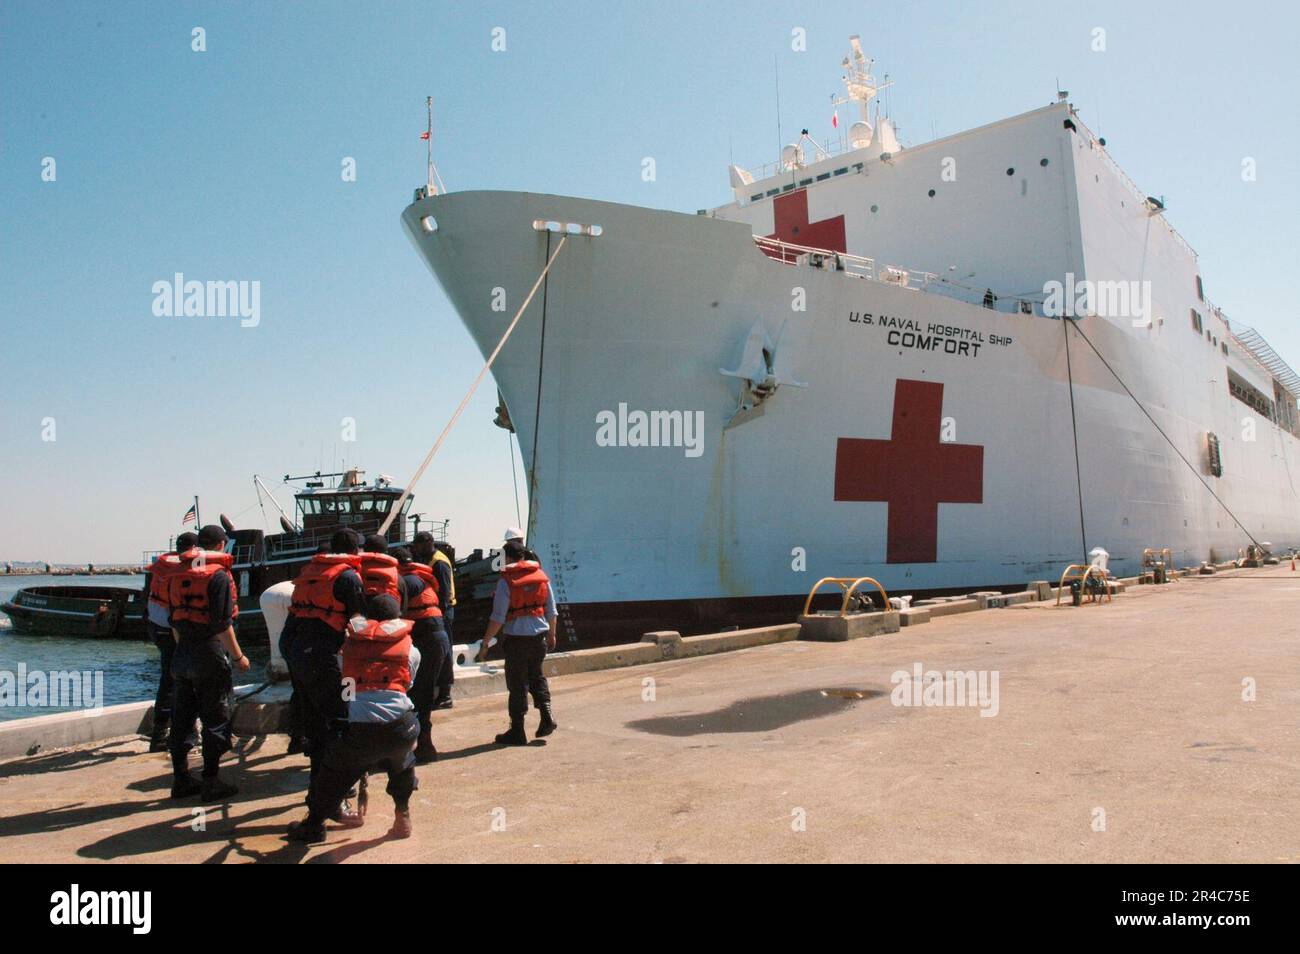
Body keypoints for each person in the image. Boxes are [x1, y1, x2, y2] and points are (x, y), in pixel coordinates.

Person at [288, 593, 421, 843]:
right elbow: (406, 684)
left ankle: (314, 826)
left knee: (332, 773)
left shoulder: (347, 648)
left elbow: (346, 685)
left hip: (361, 732)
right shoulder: (411, 651)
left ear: (370, 620)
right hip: (402, 728)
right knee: (403, 761)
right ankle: (402, 816)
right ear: (397, 619)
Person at [282, 529, 366, 816]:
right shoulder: (349, 577)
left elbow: (291, 626)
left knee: (316, 729)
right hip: (331, 662)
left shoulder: (310, 574)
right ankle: (335, 799)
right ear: (355, 551)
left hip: (301, 658)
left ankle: (316, 793)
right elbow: (356, 623)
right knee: (342, 726)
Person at [167, 524, 251, 800]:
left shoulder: (178, 573)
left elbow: (174, 621)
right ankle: (211, 780)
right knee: (216, 716)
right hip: (209, 653)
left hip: (182, 653)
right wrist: (238, 657)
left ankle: (180, 778)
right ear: (221, 545)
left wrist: (184, 651)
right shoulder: (219, 576)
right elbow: (222, 624)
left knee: (182, 718)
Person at [476, 534, 557, 745]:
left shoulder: (506, 581)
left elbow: (497, 618)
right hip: (539, 637)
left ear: (509, 558)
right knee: (537, 676)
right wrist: (552, 634)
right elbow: (552, 611)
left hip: (517, 640)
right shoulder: (541, 577)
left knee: (517, 684)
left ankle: (518, 731)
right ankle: (547, 716)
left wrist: (485, 643)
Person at [393, 546, 448, 763]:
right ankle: (422, 745)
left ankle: (421, 746)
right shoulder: (420, 578)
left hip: (427, 637)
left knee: (419, 694)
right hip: (435, 635)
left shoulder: (406, 581)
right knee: (423, 693)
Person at [145, 531, 198, 752]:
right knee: (179, 681)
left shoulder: (160, 568)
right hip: (175, 630)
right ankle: (171, 733)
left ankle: (162, 732)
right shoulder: (185, 570)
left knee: (168, 679)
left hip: (156, 627)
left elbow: (145, 597)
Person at [411, 531, 456, 709]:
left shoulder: (439, 562)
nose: (416, 548)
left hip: (441, 613)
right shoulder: (428, 559)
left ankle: (445, 694)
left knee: (444, 653)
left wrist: (439, 614)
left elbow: (444, 593)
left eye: (418, 544)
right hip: (435, 612)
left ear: (428, 543)